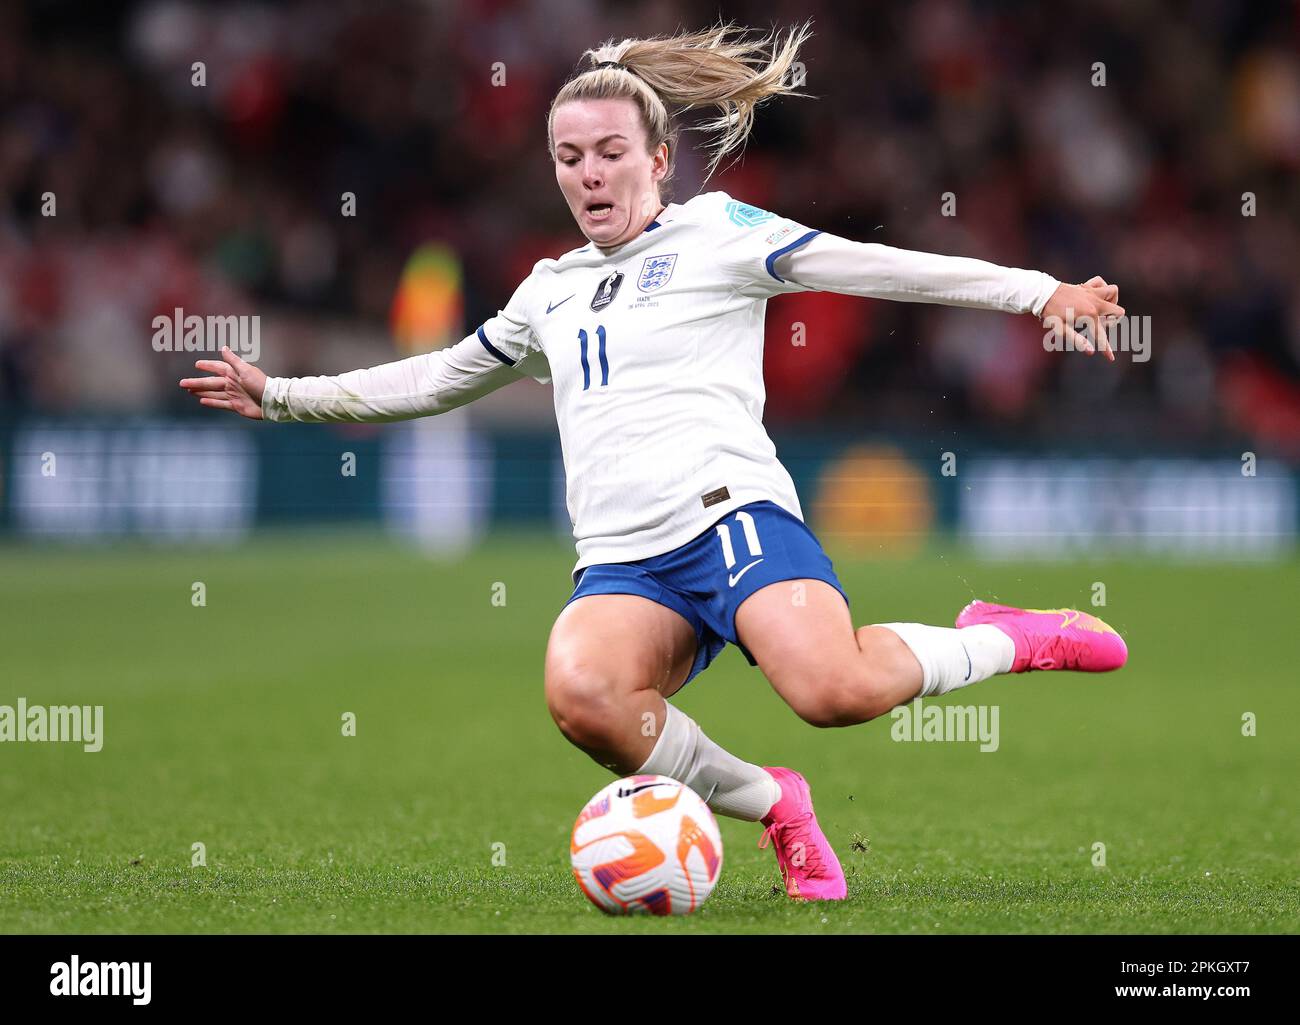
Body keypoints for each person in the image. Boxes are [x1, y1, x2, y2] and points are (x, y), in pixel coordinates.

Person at [181, 22, 1129, 904]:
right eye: (567, 158)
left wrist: (1038, 289)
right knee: (581, 692)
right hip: (626, 563)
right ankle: (774, 804)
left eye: (609, 153)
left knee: (829, 691)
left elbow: (872, 265)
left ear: (659, 160)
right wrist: (282, 396)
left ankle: (1007, 636)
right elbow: (438, 377)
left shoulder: (719, 235)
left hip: (732, 517)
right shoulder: (545, 293)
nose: (588, 176)